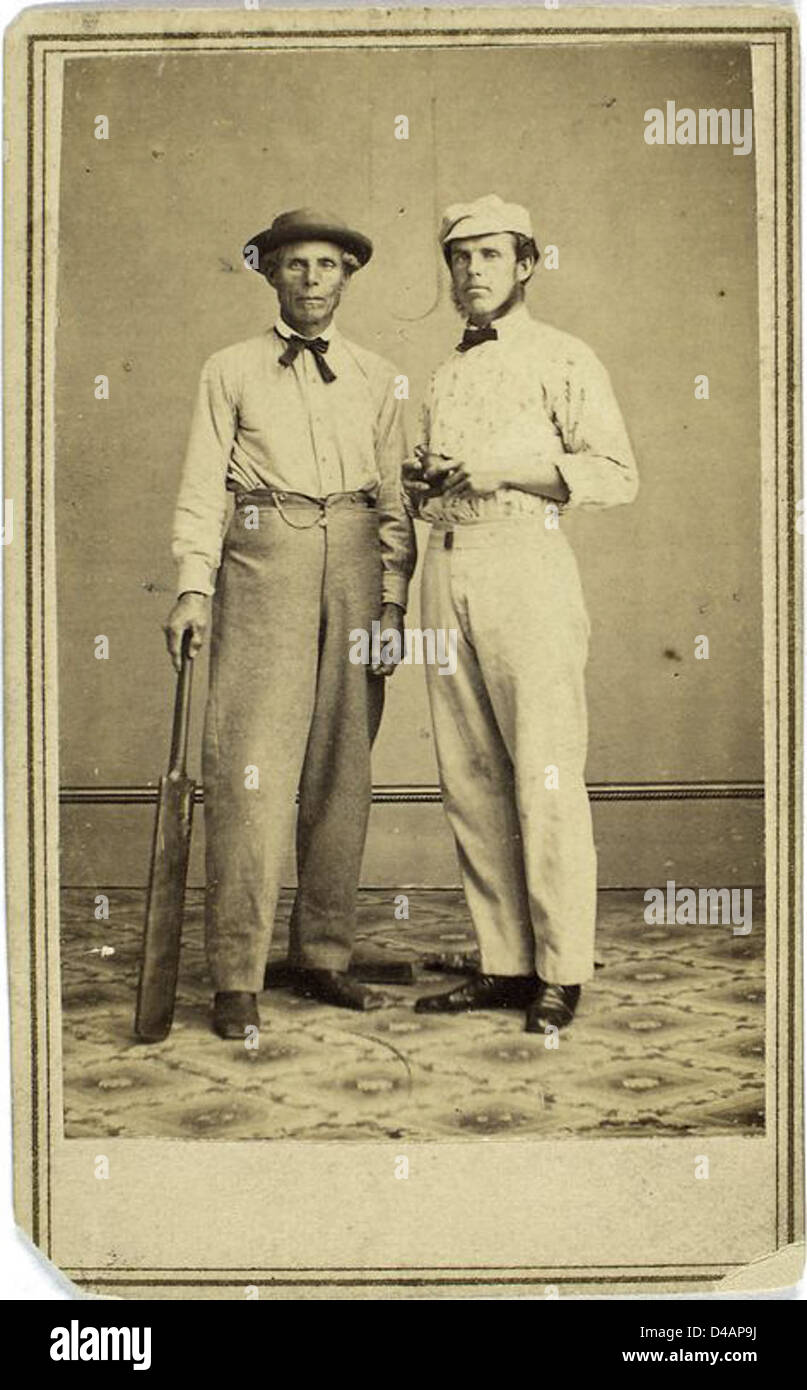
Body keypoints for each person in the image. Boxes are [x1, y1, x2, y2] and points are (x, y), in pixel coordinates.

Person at [164, 208, 416, 1039]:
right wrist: (193, 588)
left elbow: (393, 500)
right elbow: (204, 485)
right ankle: (236, 976)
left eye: (328, 266)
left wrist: (390, 603)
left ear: (349, 277)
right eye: (295, 265)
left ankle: (323, 957)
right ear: (268, 274)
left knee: (342, 766)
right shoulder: (227, 368)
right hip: (262, 556)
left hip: (353, 560)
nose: (312, 280)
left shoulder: (380, 376)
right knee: (249, 769)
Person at [406, 194, 638, 1034]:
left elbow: (614, 473)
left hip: (526, 568)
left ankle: (561, 972)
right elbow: (438, 492)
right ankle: (504, 963)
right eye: (460, 258)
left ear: (527, 265)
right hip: (448, 567)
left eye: (491, 255)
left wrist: (506, 466)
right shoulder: (443, 370)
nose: (472, 271)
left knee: (542, 770)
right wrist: (424, 487)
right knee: (469, 779)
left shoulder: (563, 356)